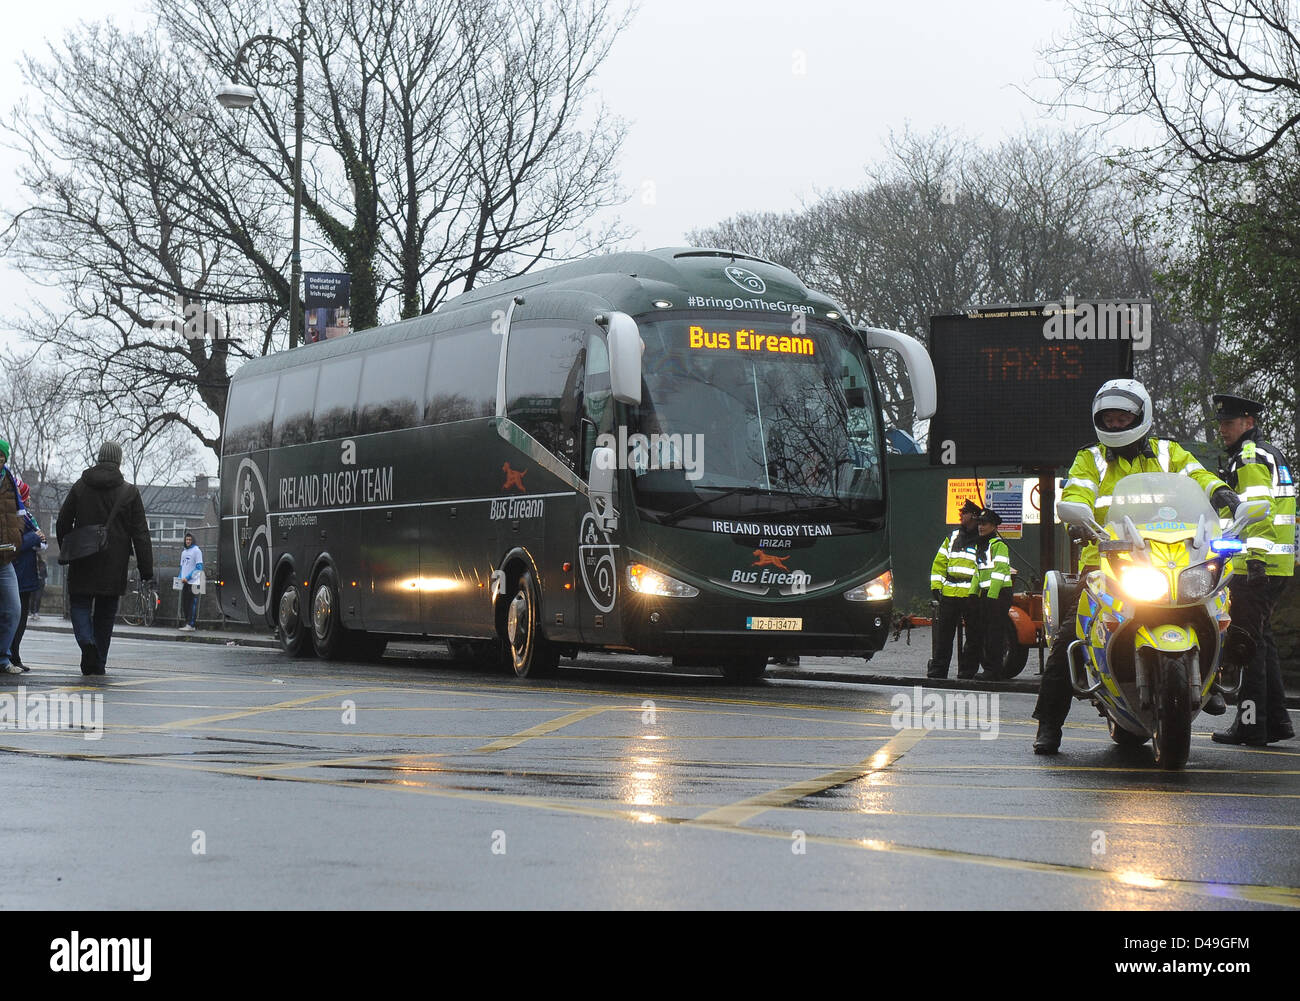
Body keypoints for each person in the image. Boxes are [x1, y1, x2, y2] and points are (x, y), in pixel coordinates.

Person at [1033, 379, 1236, 753]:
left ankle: (1214, 680)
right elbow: (1076, 492)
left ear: (1141, 416)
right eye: (1107, 418)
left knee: (1221, 607)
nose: (1114, 424)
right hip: (1108, 560)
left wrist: (1221, 493)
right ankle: (1049, 724)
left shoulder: (1167, 452)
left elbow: (1198, 476)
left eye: (1122, 416)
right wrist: (1077, 520)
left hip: (1175, 557)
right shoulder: (1089, 459)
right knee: (1068, 638)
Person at [1208, 394, 1295, 745]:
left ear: (1248, 423)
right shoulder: (1268, 452)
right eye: (1221, 424)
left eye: (1229, 424)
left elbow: (1258, 509)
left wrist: (1256, 559)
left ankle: (1249, 725)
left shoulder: (1248, 457)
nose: (1223, 430)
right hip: (1277, 563)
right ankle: (1277, 723)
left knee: (1247, 645)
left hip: (1256, 564)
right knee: (1263, 642)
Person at [56, 441, 153, 676]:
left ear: (99, 458)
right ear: (118, 461)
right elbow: (140, 533)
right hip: (114, 563)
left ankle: (87, 644)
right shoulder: (129, 492)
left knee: (79, 605)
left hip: (82, 559)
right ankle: (98, 663)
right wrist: (146, 570)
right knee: (105, 614)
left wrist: (68, 549)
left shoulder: (80, 486)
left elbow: (61, 522)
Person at [928, 498, 983, 680]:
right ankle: (938, 671)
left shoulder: (984, 540)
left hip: (971, 595)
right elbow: (940, 562)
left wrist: (978, 592)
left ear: (973, 516)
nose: (961, 515)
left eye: (964, 513)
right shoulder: (953, 537)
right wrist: (936, 586)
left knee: (974, 636)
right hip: (950, 594)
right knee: (944, 637)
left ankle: (967, 672)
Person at [10, 479, 48, 672]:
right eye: (27, 494)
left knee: (21, 618)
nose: (30, 498)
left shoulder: (27, 517)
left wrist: (39, 539)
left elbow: (43, 540)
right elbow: (15, 543)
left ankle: (14, 655)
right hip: (18, 573)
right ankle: (11, 656)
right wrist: (35, 537)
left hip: (25, 575)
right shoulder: (18, 517)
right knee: (16, 618)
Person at [974, 508, 1013, 678]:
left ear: (994, 526)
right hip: (987, 594)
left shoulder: (998, 546)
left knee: (994, 634)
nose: (981, 527)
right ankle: (989, 668)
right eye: (979, 524)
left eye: (985, 524)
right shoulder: (982, 545)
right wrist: (972, 593)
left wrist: (992, 595)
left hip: (999, 595)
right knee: (985, 633)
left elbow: (1000, 571)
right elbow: (978, 572)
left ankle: (993, 670)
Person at [0, 440, 24, 674]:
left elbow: (21, 511)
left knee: (13, 609)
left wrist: (20, 535)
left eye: (2, 455)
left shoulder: (10, 481)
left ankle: (2, 658)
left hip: (4, 558)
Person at [177, 531, 203, 631]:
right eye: (187, 539)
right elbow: (182, 567)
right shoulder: (183, 552)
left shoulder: (197, 551)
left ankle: (191, 624)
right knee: (185, 603)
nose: (188, 541)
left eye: (190, 540)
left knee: (192, 603)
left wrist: (187, 577)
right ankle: (187, 623)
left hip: (193, 583)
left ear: (193, 541)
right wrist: (180, 578)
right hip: (184, 583)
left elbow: (199, 567)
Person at [30, 554, 46, 621]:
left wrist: (42, 578)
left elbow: (45, 574)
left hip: (40, 583)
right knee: (32, 598)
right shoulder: (31, 564)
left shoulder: (42, 564)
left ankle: (36, 612)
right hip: (33, 583)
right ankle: (32, 612)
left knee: (38, 598)